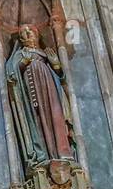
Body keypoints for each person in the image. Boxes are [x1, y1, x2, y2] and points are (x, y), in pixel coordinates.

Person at [5, 24, 78, 170]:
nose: (27, 35)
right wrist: (24, 62)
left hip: (50, 90)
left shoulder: (46, 54)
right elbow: (11, 73)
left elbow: (60, 77)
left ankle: (63, 153)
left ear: (37, 34)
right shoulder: (20, 54)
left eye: (30, 31)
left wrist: (56, 65)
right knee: (38, 121)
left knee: (56, 118)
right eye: (23, 33)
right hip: (32, 95)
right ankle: (43, 154)